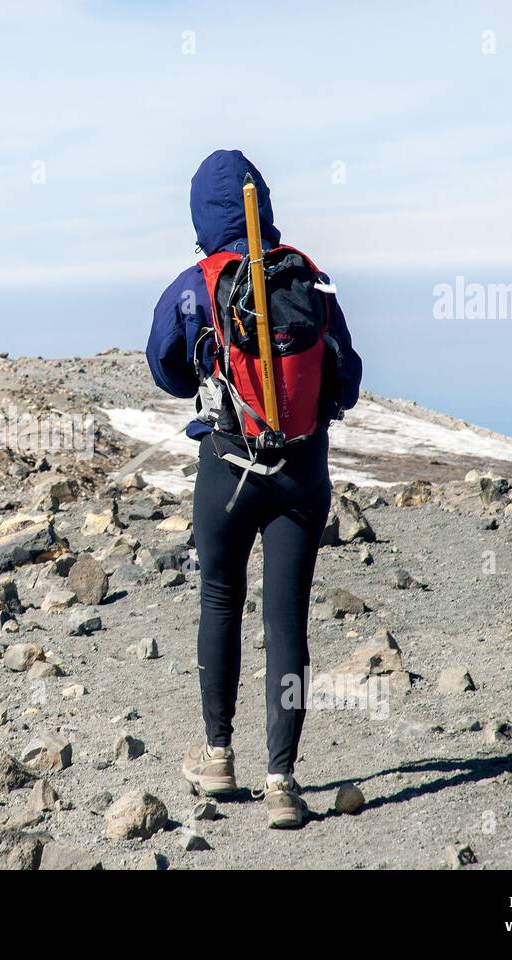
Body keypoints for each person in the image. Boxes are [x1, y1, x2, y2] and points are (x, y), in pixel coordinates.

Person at [147, 149, 362, 829]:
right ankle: (283, 782)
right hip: (302, 472)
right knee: (286, 620)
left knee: (220, 597)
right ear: (263, 205)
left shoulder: (196, 282)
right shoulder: (311, 277)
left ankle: (217, 755)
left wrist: (213, 377)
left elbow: (165, 368)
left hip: (228, 467)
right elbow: (347, 378)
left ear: (201, 217)